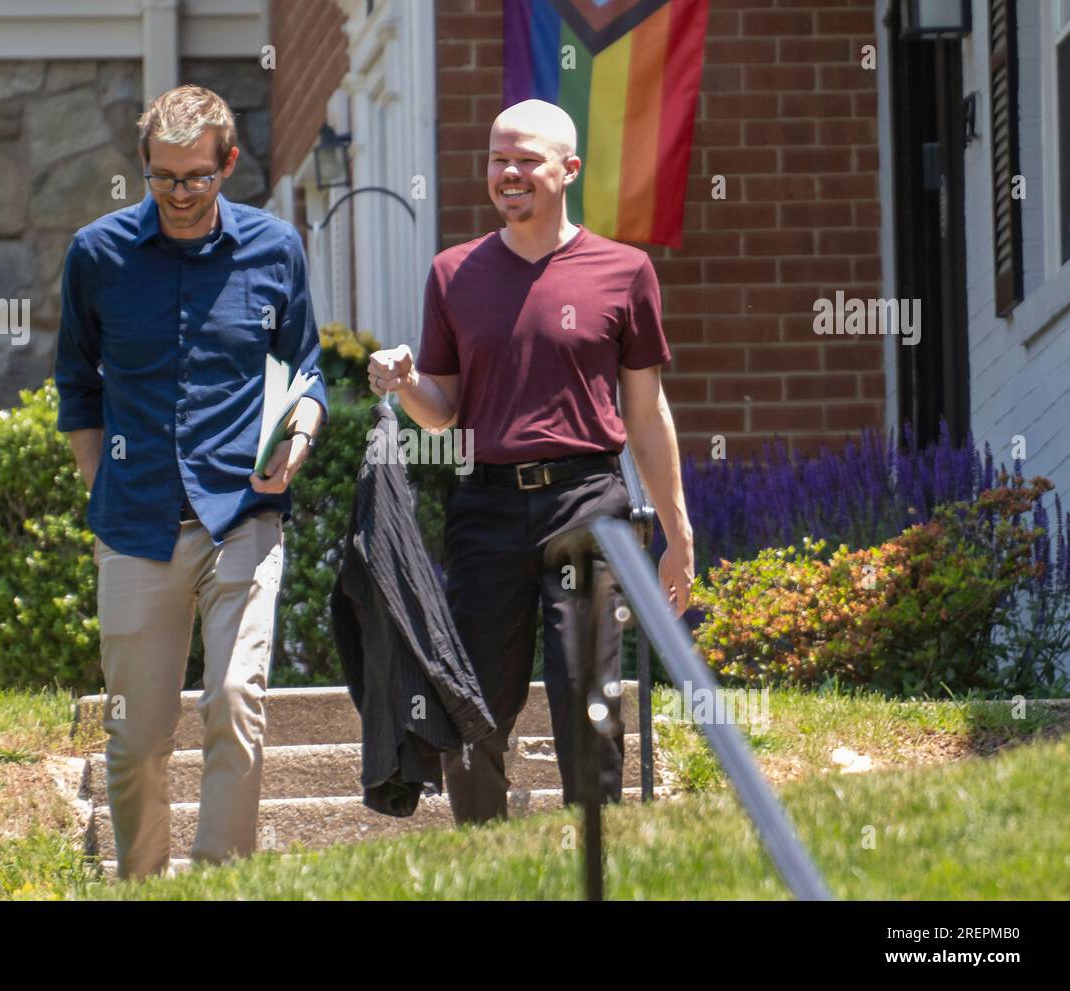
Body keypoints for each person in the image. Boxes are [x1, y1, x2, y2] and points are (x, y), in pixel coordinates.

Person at [367, 99, 694, 824]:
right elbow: (443, 408)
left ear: (569, 169)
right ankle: (486, 855)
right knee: (475, 695)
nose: (509, 173)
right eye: (497, 159)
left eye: (527, 160)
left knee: (587, 689)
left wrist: (677, 528)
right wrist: (403, 377)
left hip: (587, 502)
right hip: (484, 504)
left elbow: (646, 414)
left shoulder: (625, 271)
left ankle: (596, 857)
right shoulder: (453, 273)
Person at [54, 85, 328, 879]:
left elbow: (304, 367)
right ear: (143, 166)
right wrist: (97, 481)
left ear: (228, 165)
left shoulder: (274, 249)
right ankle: (142, 887)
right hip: (135, 525)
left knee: (236, 702)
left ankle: (218, 885)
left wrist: (302, 433)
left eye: (196, 178)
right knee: (137, 736)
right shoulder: (97, 255)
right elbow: (78, 383)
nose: (179, 194)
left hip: (242, 514)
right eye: (162, 177)